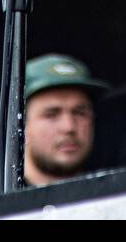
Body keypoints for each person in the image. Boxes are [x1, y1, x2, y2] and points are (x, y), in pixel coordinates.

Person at [22, 54, 108, 186]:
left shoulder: (114, 196)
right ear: (21, 127)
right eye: (51, 114)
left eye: (80, 113)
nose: (69, 127)